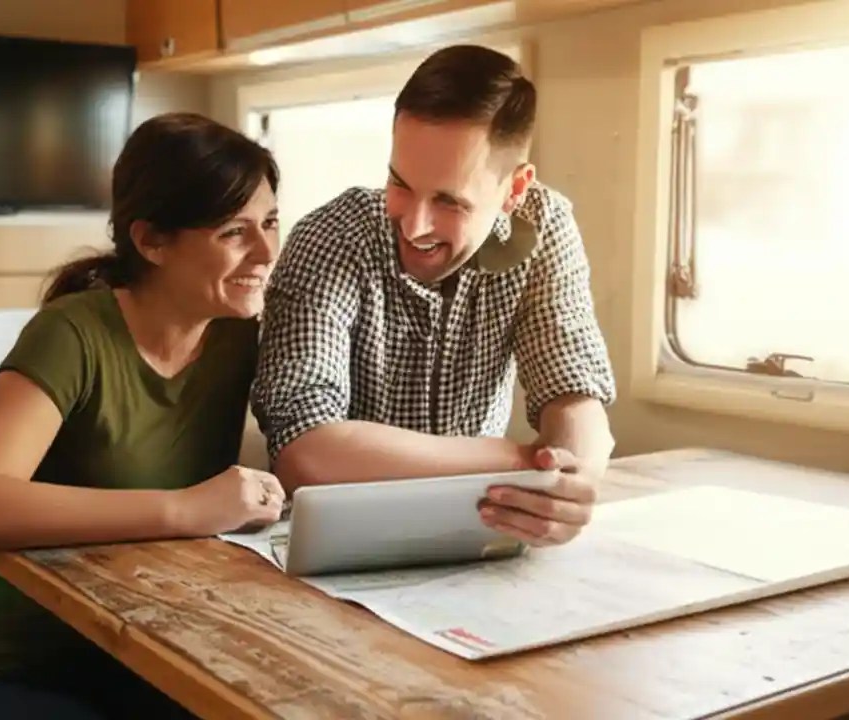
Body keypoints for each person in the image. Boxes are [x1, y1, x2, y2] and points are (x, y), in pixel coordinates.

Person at [0, 112, 285, 720]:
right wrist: (184, 509)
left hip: (143, 660)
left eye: (269, 222)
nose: (267, 251)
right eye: (234, 232)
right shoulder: (74, 333)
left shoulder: (241, 336)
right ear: (152, 240)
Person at [252, 45, 617, 549]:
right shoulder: (330, 237)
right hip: (342, 543)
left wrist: (575, 482)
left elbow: (573, 390)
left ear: (514, 190)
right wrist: (522, 461)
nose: (414, 224)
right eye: (399, 184)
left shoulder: (543, 224)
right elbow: (304, 453)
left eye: (449, 201)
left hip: (480, 538)